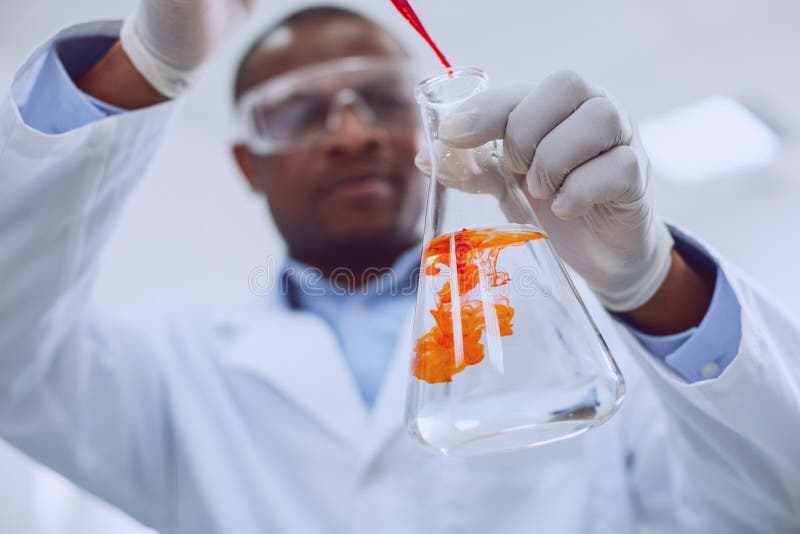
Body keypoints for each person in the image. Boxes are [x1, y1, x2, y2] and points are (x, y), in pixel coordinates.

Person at [0, 1, 798, 533]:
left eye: (382, 100)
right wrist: (143, 65)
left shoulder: (581, 336)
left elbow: (774, 501)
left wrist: (651, 285)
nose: (351, 135)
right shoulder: (172, 375)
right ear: (248, 164)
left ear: (428, 136)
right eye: (302, 110)